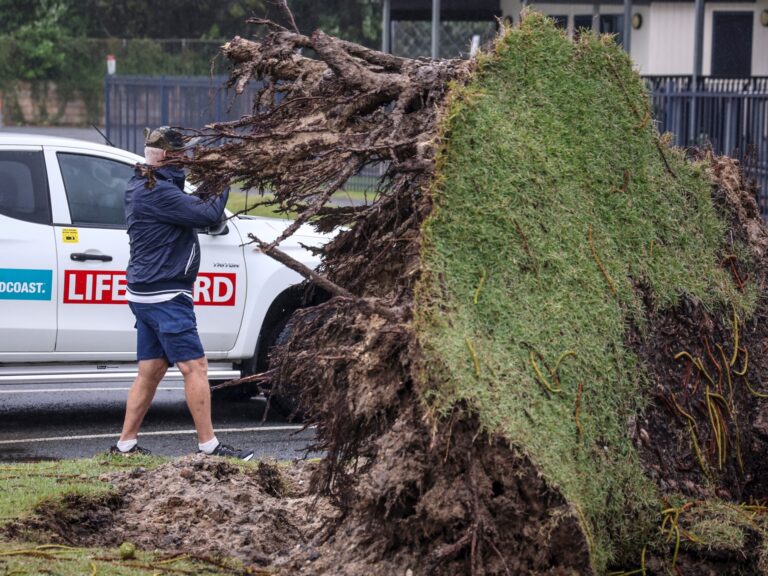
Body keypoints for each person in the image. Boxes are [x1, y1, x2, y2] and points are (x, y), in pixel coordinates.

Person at [110, 126, 254, 461]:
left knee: (151, 370)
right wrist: (222, 177)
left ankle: (125, 445)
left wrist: (210, 179)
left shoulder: (143, 184)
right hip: (165, 296)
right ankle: (210, 446)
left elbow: (189, 202)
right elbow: (208, 213)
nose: (188, 158)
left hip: (145, 293)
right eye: (183, 154)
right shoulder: (157, 192)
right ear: (167, 157)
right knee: (196, 367)